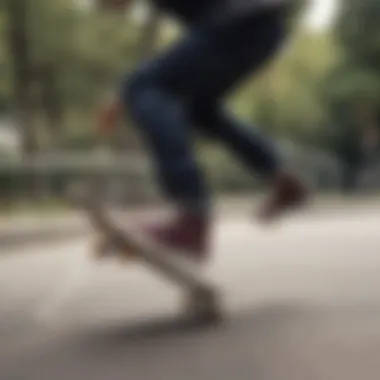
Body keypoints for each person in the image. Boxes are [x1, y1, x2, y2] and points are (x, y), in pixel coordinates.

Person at [97, 0, 309, 262]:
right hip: (260, 27)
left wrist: (126, 91)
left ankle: (191, 215)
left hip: (239, 22)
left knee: (144, 90)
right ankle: (282, 180)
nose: (107, 7)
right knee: (199, 110)